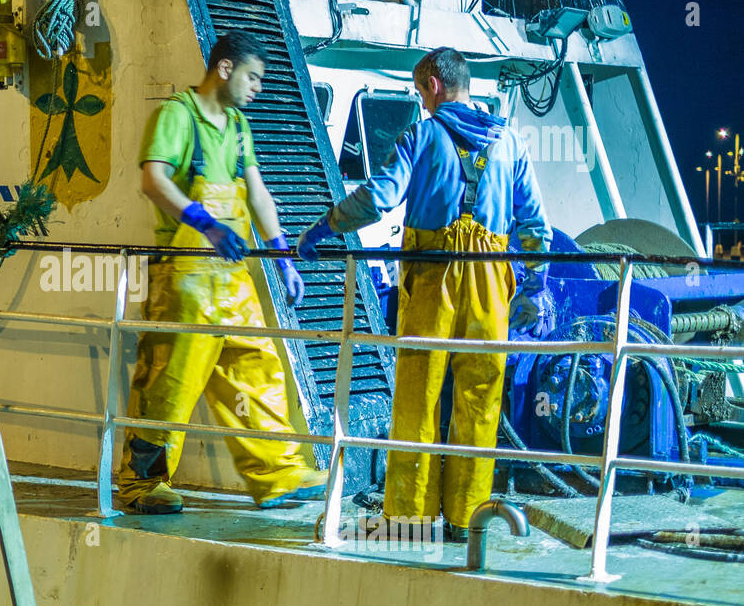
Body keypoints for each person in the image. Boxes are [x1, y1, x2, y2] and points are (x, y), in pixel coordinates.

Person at [298, 47, 552, 541]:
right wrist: (535, 284)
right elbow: (535, 226)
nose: (421, 100)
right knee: (480, 397)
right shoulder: (511, 143)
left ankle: (409, 518)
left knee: (418, 396)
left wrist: (323, 226)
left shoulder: (420, 134)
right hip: (489, 280)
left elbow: (379, 198)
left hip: (433, 278)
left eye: (419, 92)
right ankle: (467, 518)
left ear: (433, 85)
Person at [117, 31, 329, 514]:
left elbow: (256, 194)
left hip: (232, 280)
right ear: (226, 68)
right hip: (185, 277)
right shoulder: (177, 114)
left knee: (256, 370)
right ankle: (144, 487)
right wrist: (206, 224)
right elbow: (153, 179)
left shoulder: (237, 126)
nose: (258, 88)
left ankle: (278, 475)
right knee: (168, 385)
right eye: (253, 77)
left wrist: (280, 254)